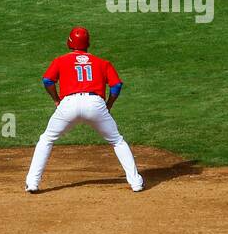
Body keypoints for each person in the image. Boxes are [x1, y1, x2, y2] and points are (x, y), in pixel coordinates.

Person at [24, 26, 144, 194]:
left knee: (46, 139)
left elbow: (47, 81)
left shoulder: (60, 60)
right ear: (88, 43)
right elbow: (116, 85)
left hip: (68, 104)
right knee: (117, 141)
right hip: (95, 104)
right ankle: (136, 183)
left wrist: (56, 100)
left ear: (70, 42)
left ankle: (32, 183)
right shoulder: (102, 62)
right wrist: (108, 104)